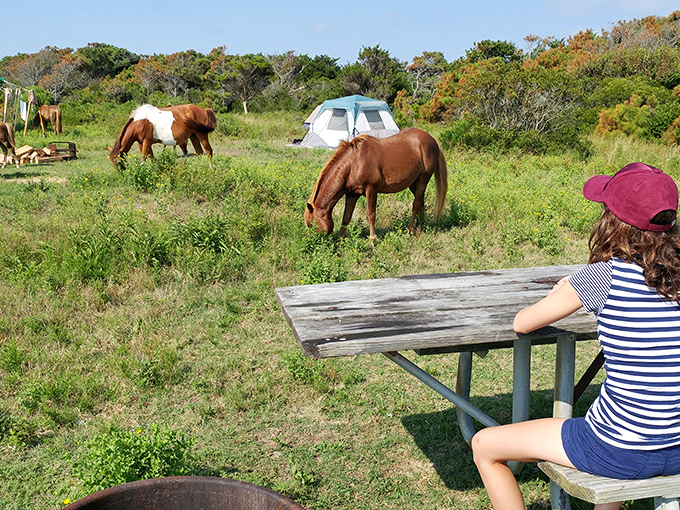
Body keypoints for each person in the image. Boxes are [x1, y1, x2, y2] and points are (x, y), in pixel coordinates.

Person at [471, 162, 680, 510]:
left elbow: (523, 323)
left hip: (615, 448)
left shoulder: (602, 277)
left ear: (612, 222)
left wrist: (568, 290)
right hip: (675, 448)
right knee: (611, 441)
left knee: (485, 445)